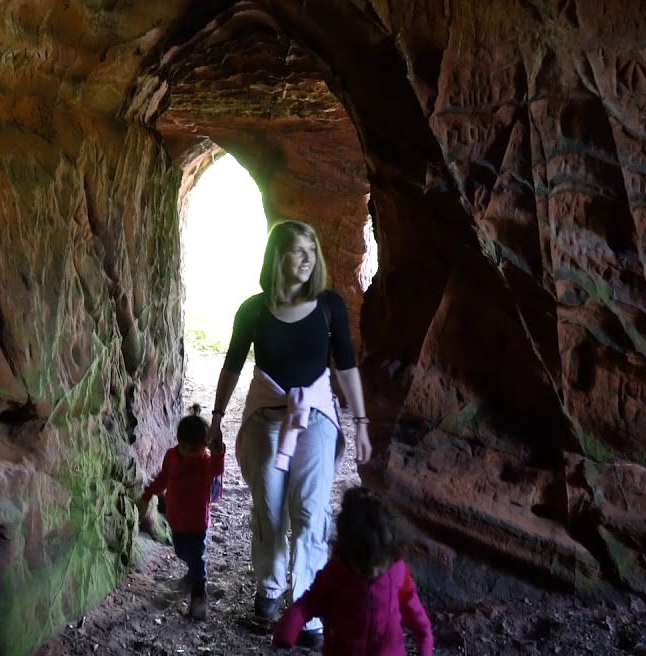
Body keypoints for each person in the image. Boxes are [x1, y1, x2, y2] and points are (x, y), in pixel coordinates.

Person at [208, 220, 373, 649]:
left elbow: (346, 366)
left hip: (315, 416)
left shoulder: (329, 306)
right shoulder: (253, 310)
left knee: (309, 511)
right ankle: (269, 588)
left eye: (311, 251)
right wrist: (216, 418)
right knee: (269, 506)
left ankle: (309, 605)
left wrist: (361, 424)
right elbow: (232, 365)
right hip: (267, 417)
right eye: (296, 251)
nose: (306, 260)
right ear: (276, 257)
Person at [273, 488, 434, 655]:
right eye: (364, 567)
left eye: (379, 565)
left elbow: (415, 613)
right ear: (348, 552)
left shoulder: (397, 571)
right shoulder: (336, 572)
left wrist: (425, 643)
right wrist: (288, 627)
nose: (373, 572)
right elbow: (309, 602)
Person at [139, 404, 227, 620]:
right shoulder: (172, 456)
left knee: (197, 559)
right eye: (184, 447)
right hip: (176, 518)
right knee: (181, 552)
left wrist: (218, 453)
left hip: (197, 522)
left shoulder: (207, 463)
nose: (187, 452)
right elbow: (163, 477)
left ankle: (199, 598)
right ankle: (193, 576)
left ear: (204, 446)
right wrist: (149, 493)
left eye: (193, 449)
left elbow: (217, 471)